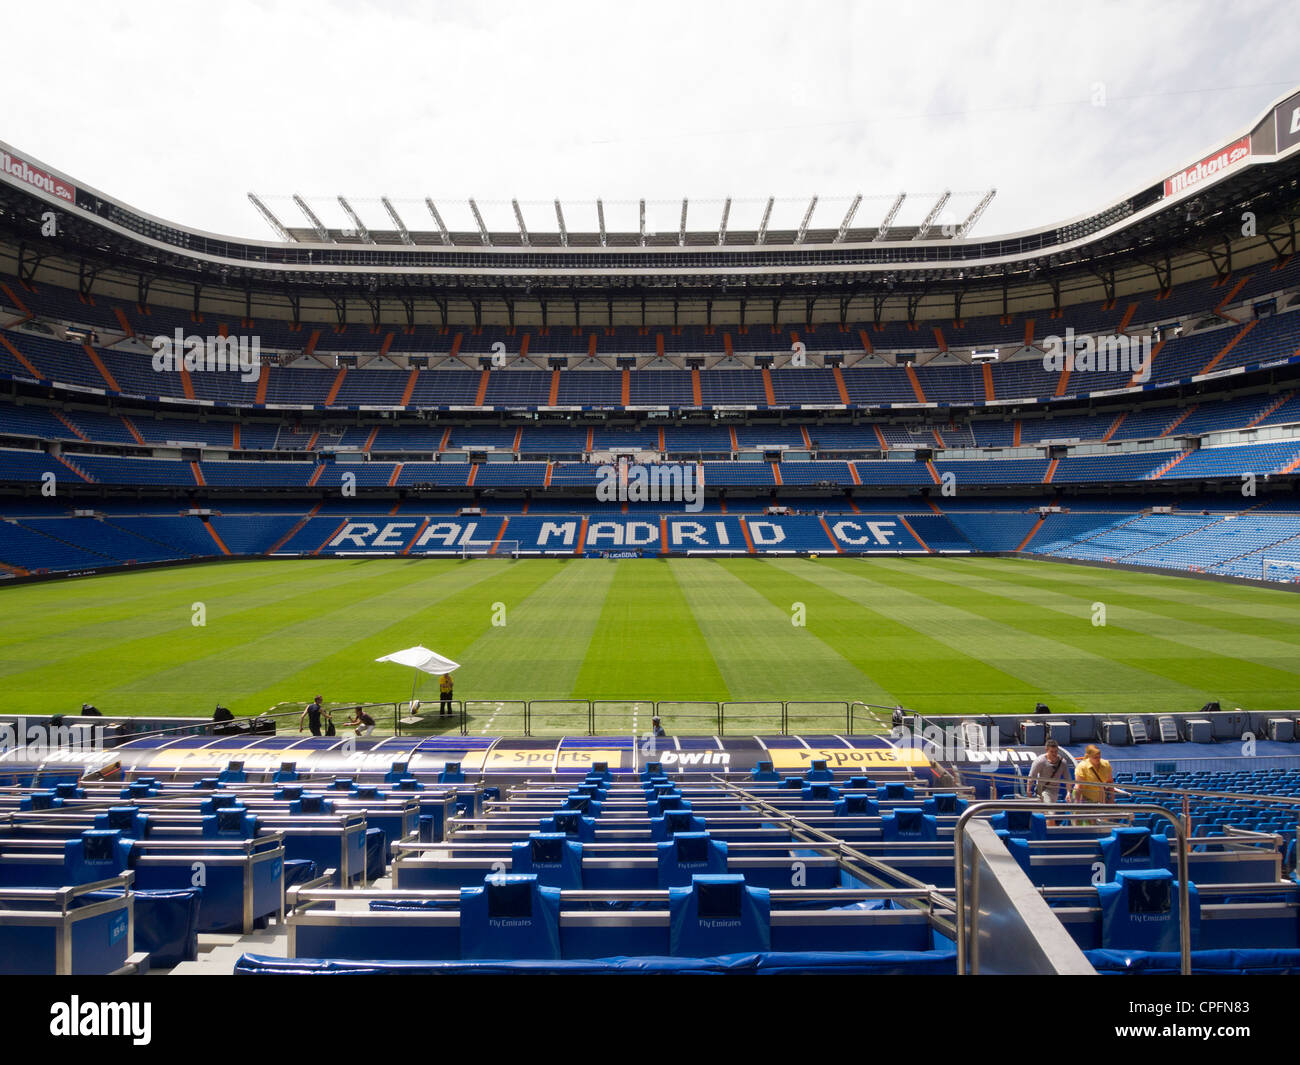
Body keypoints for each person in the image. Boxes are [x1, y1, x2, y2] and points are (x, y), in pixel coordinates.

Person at [1027, 738, 1071, 825]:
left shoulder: (1062, 762)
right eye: (1052, 752)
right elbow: (1032, 776)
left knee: (1044, 813)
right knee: (1050, 814)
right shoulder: (1040, 761)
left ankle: (1044, 831)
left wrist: (1068, 792)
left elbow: (1067, 779)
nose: (1054, 754)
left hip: (1055, 790)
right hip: (1042, 789)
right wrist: (1028, 790)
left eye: (1056, 751)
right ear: (1047, 750)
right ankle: (1052, 833)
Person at [1073, 744, 1115, 823]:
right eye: (1095, 757)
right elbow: (1079, 787)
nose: (1098, 759)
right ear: (1089, 756)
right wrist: (1077, 805)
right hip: (1085, 797)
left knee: (1102, 821)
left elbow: (1110, 781)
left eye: (1099, 756)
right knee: (1087, 823)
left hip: (1100, 797)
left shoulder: (1106, 764)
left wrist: (1112, 798)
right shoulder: (1082, 766)